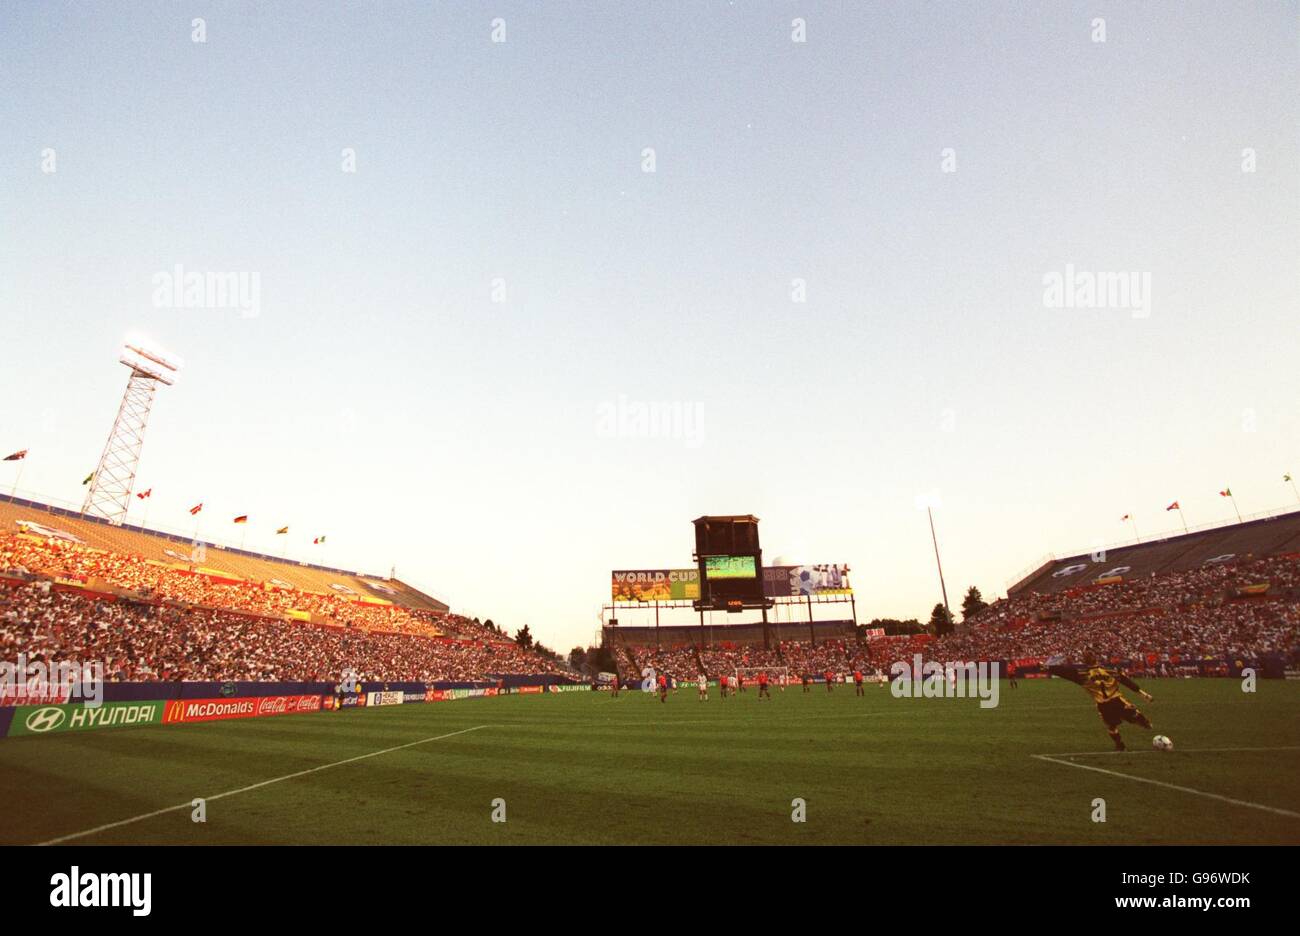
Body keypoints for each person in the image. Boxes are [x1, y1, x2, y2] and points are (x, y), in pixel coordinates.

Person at [1048, 655, 1154, 751]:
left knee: (1111, 727)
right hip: (1117, 700)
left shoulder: (1082, 674)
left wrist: (1048, 668)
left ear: (1085, 662)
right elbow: (1127, 682)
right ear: (1097, 660)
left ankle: (1120, 745)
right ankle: (1144, 722)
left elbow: (1064, 672)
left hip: (1103, 705)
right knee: (1133, 713)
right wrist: (1144, 695)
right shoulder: (1110, 670)